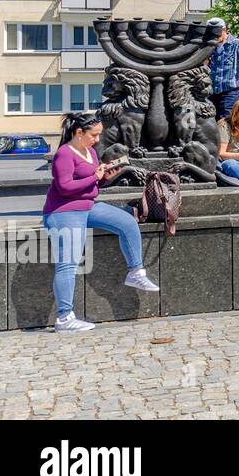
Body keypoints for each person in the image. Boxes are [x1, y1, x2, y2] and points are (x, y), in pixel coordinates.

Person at [42, 112, 160, 332]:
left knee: (127, 222)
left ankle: (136, 272)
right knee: (68, 262)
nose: (97, 139)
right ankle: (64, 318)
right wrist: (94, 177)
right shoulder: (64, 155)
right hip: (63, 211)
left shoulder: (91, 152)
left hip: (88, 206)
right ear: (79, 133)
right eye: (94, 135)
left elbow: (91, 187)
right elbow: (64, 187)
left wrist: (104, 178)